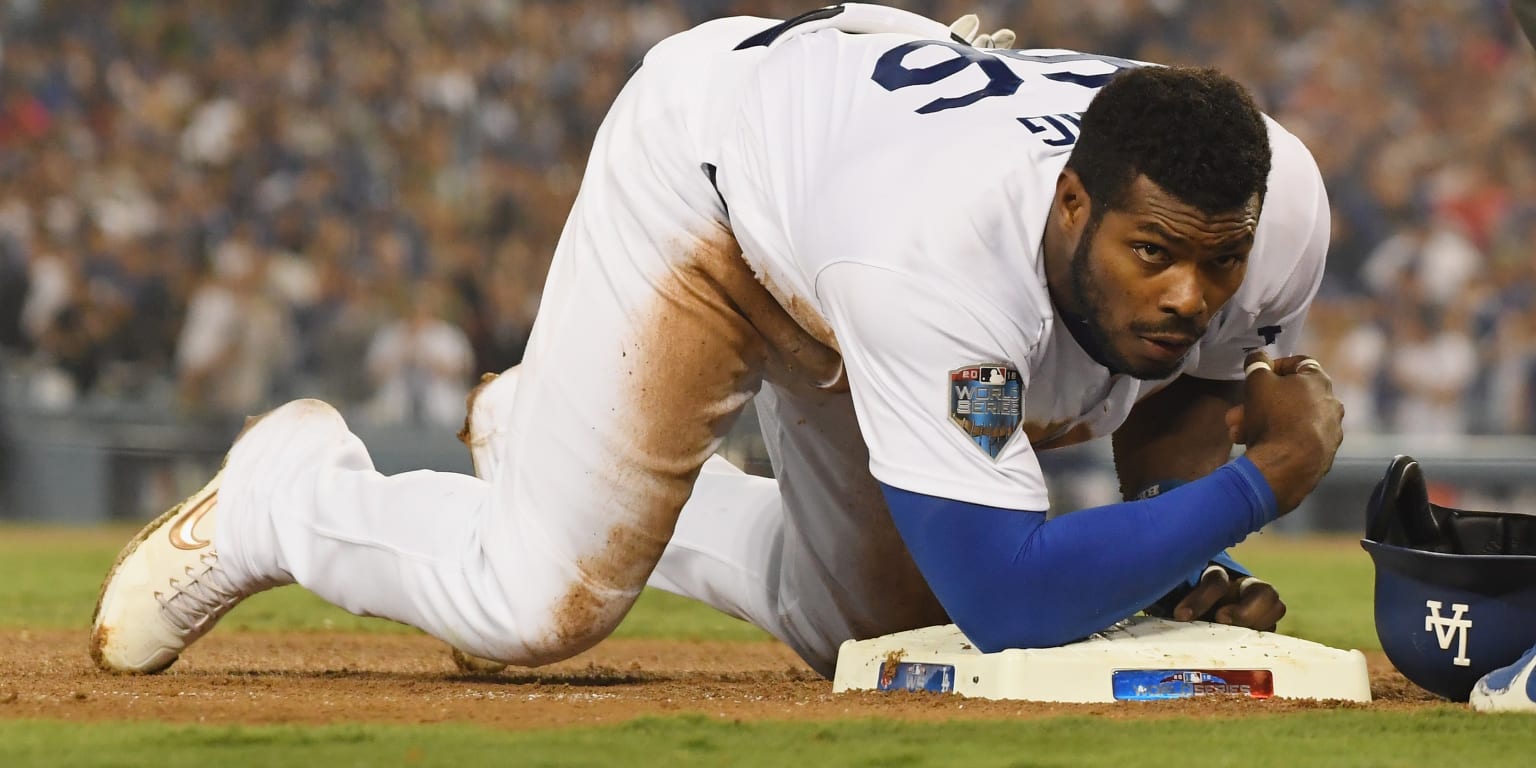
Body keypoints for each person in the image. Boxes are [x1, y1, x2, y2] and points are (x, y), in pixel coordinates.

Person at [91, 4, 1342, 679]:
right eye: (1154, 254)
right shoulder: (937, 265)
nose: (1192, 293)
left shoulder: (1273, 203)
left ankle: (549, 433)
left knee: (874, 640)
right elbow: (1010, 599)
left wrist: (1172, 560)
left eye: (1218, 261)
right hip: (712, 181)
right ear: (1072, 205)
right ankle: (286, 499)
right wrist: (1261, 483)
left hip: (854, 185)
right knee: (534, 605)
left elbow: (1187, 402)